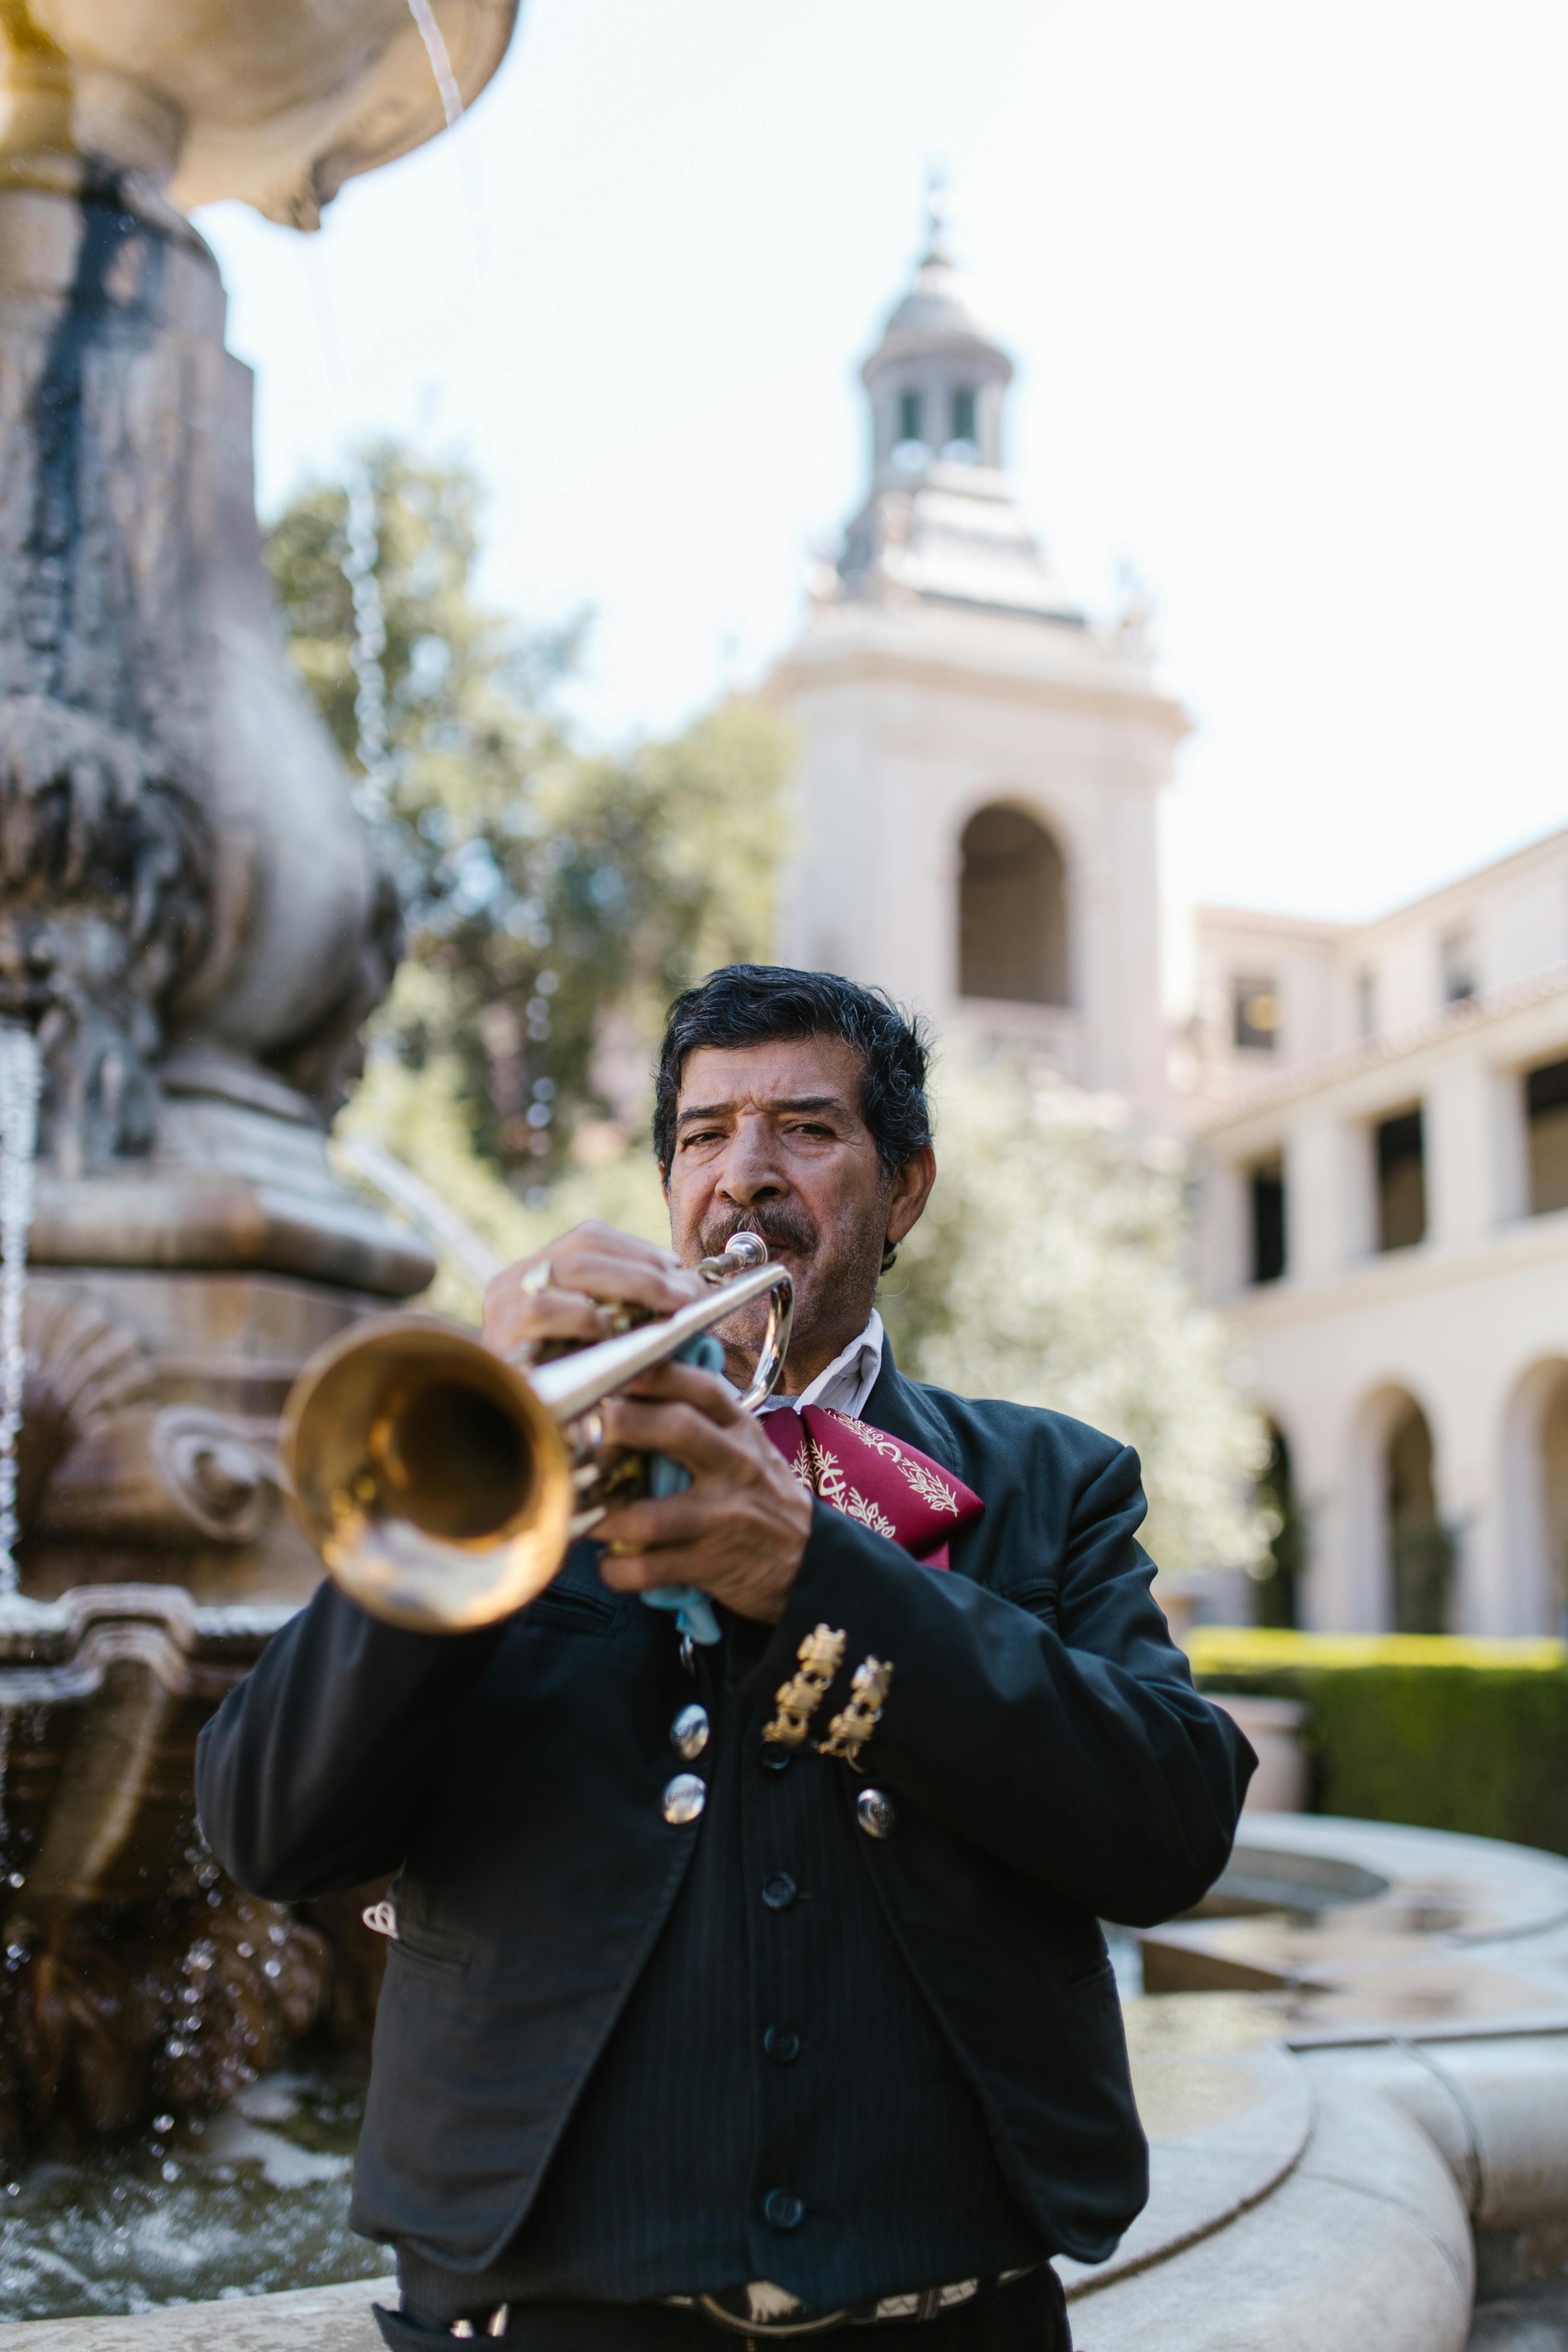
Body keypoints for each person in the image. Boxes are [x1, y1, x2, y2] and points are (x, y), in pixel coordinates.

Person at [197, 964, 1255, 2352]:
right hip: (545, 2318)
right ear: (667, 1183)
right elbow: (266, 1830)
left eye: (805, 1130)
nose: (744, 1175)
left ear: (905, 1190)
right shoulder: (514, 1459)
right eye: (704, 1136)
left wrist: (819, 1576)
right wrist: (459, 1489)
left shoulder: (1050, 1482)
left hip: (943, 2313)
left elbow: (1172, 1827)